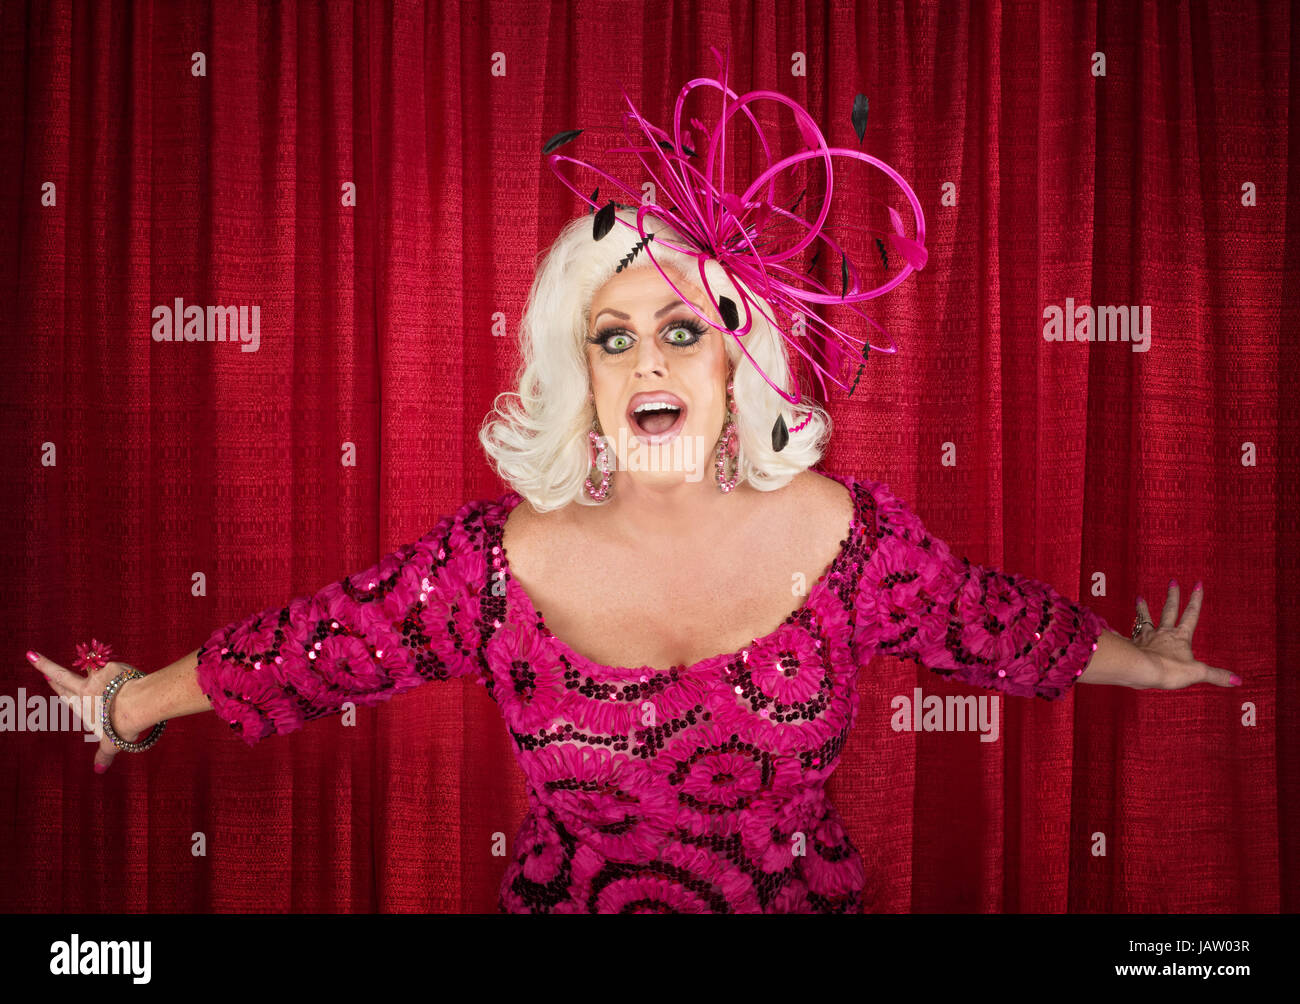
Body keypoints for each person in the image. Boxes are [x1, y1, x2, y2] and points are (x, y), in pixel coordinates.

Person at [26, 54, 1238, 914]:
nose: (650, 358)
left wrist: (1149, 660)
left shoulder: (850, 541)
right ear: (581, 372)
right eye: (613, 337)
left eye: (684, 329)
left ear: (736, 359)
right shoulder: (492, 567)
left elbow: (1003, 629)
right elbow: (314, 647)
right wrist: (129, 701)